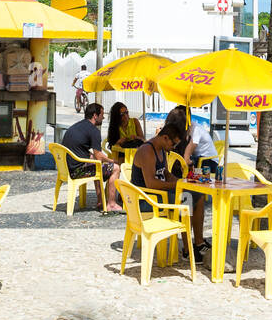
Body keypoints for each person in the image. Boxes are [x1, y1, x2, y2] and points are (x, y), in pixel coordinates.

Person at [130, 120, 206, 261]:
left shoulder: (161, 150)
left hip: (158, 195)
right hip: (146, 199)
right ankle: (187, 249)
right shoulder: (147, 151)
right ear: (165, 138)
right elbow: (151, 183)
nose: (173, 147)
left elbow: (166, 174)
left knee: (198, 196)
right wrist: (176, 186)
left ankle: (199, 243)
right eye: (173, 144)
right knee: (186, 199)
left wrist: (181, 182)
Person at [61, 103, 122, 211]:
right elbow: (99, 155)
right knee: (116, 168)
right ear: (95, 115)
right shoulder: (94, 131)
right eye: (102, 114)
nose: (103, 117)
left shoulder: (76, 126)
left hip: (67, 168)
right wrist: (112, 161)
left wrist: (94, 157)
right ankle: (111, 204)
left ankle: (100, 200)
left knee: (94, 162)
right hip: (78, 171)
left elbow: (91, 155)